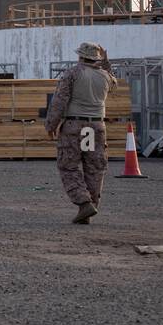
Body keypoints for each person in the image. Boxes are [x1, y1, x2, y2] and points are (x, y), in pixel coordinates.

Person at [45, 43, 117, 224]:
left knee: (68, 166)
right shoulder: (106, 76)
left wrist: (51, 125)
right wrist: (106, 64)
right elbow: (114, 82)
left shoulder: (73, 73)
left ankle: (84, 204)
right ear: (97, 59)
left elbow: (60, 101)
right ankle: (90, 207)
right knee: (94, 169)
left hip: (74, 126)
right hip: (97, 128)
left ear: (80, 56)